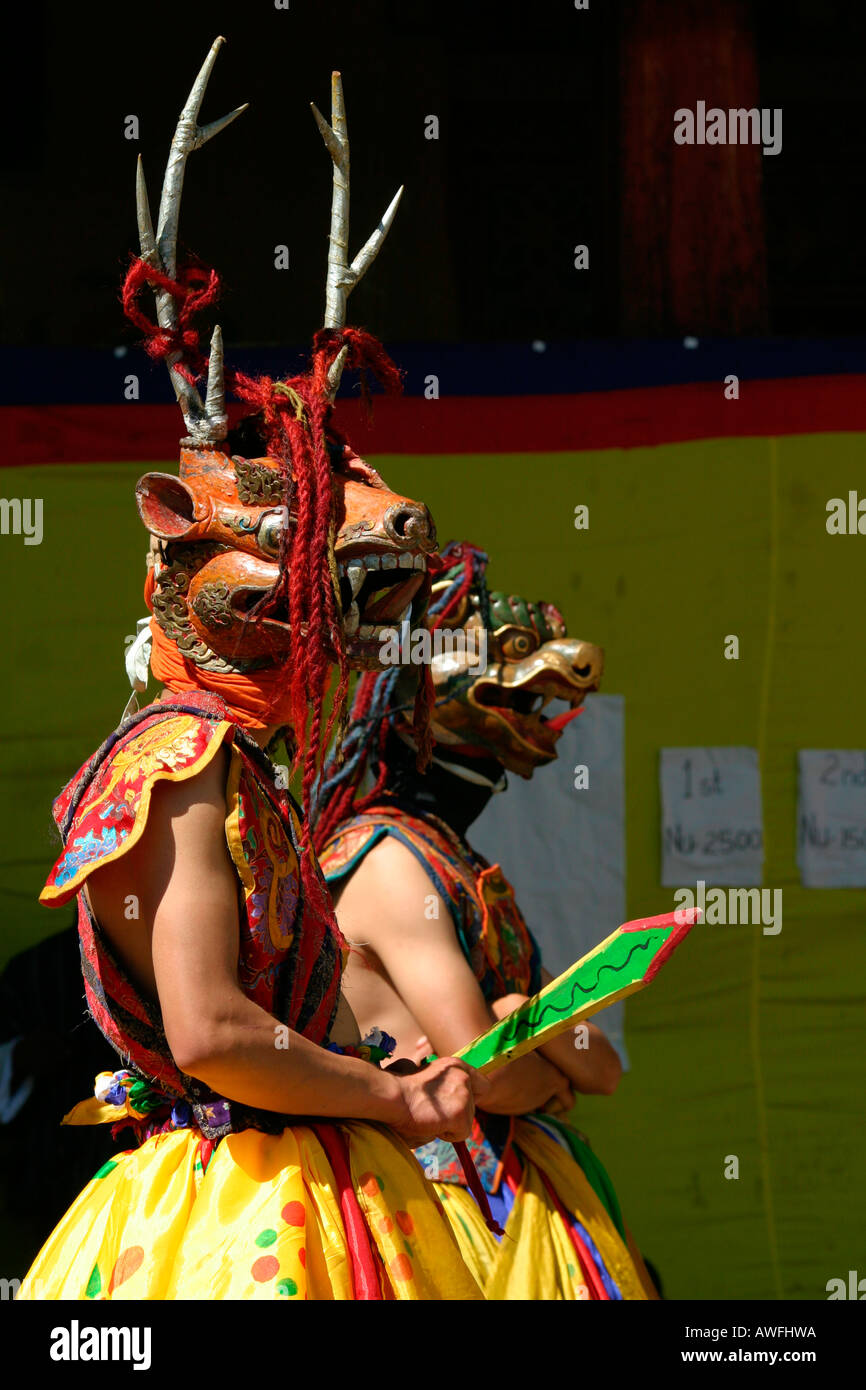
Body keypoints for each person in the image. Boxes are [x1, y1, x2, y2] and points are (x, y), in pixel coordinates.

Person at [17, 44, 484, 1302]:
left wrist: (360, 1059)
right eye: (276, 553)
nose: (309, 600)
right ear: (172, 540)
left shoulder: (233, 760)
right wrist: (394, 1092)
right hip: (236, 1219)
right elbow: (212, 1032)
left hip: (301, 1185)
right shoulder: (184, 759)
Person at [315, 541, 659, 1299]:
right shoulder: (388, 859)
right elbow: (486, 1069)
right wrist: (541, 1069)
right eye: (502, 658)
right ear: (414, 690)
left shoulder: (458, 864)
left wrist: (524, 1016)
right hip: (438, 1214)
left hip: (525, 1203)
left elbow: (599, 1068)